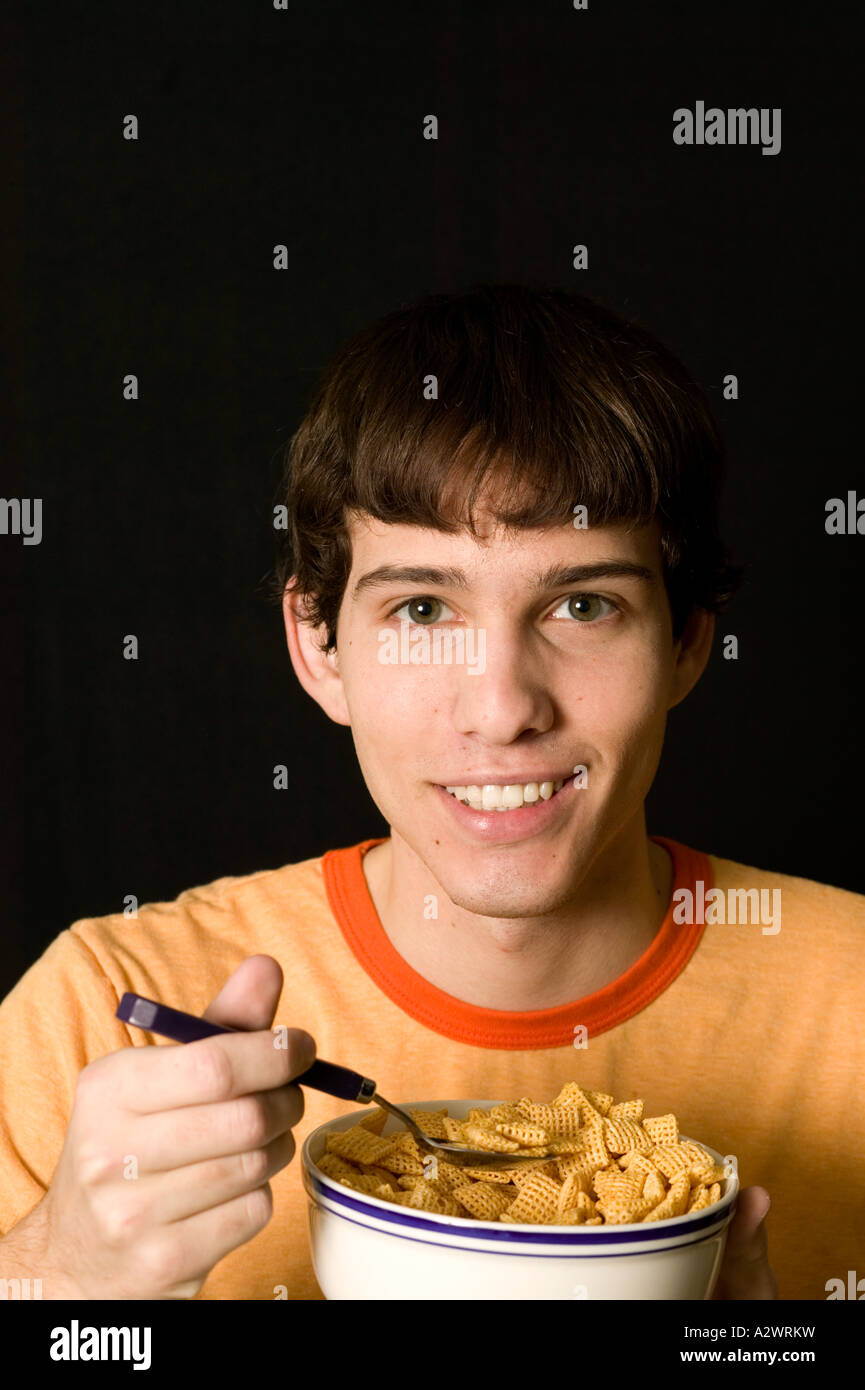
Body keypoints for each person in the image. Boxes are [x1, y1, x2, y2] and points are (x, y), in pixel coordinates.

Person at [1, 285, 861, 1301]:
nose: (500, 709)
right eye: (421, 606)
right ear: (317, 649)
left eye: (582, 604)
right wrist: (61, 1276)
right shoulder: (102, 1017)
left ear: (685, 644)